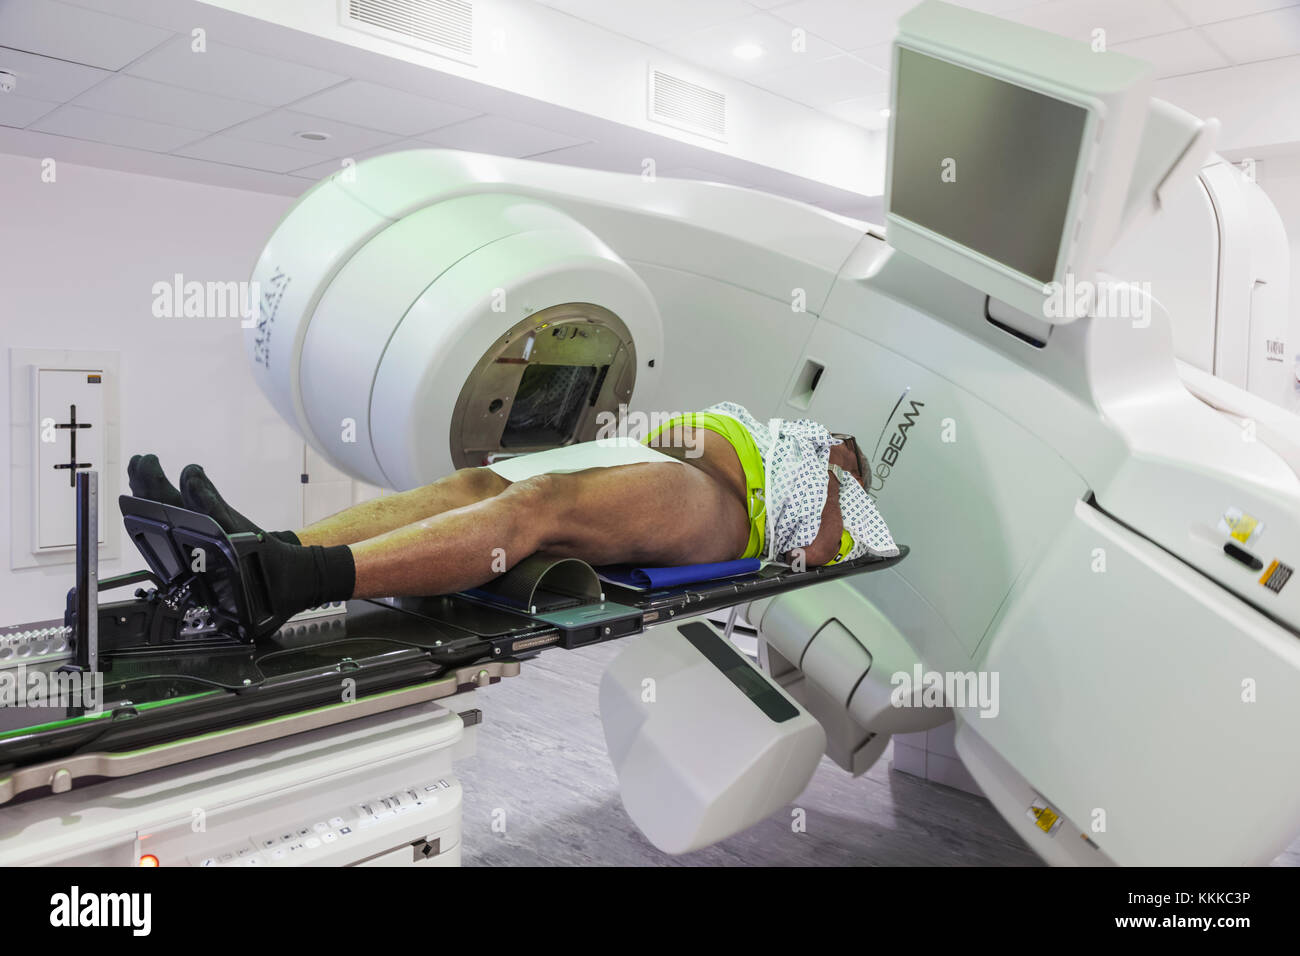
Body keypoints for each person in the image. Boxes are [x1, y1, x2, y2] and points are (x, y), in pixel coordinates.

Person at [127, 402, 897, 633]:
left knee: (534, 508)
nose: (831, 439)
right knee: (478, 481)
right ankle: (261, 546)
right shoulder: (776, 431)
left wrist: (827, 469)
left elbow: (820, 547)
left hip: (718, 510)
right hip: (669, 463)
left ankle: (295, 581)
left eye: (843, 447)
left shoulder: (841, 487)